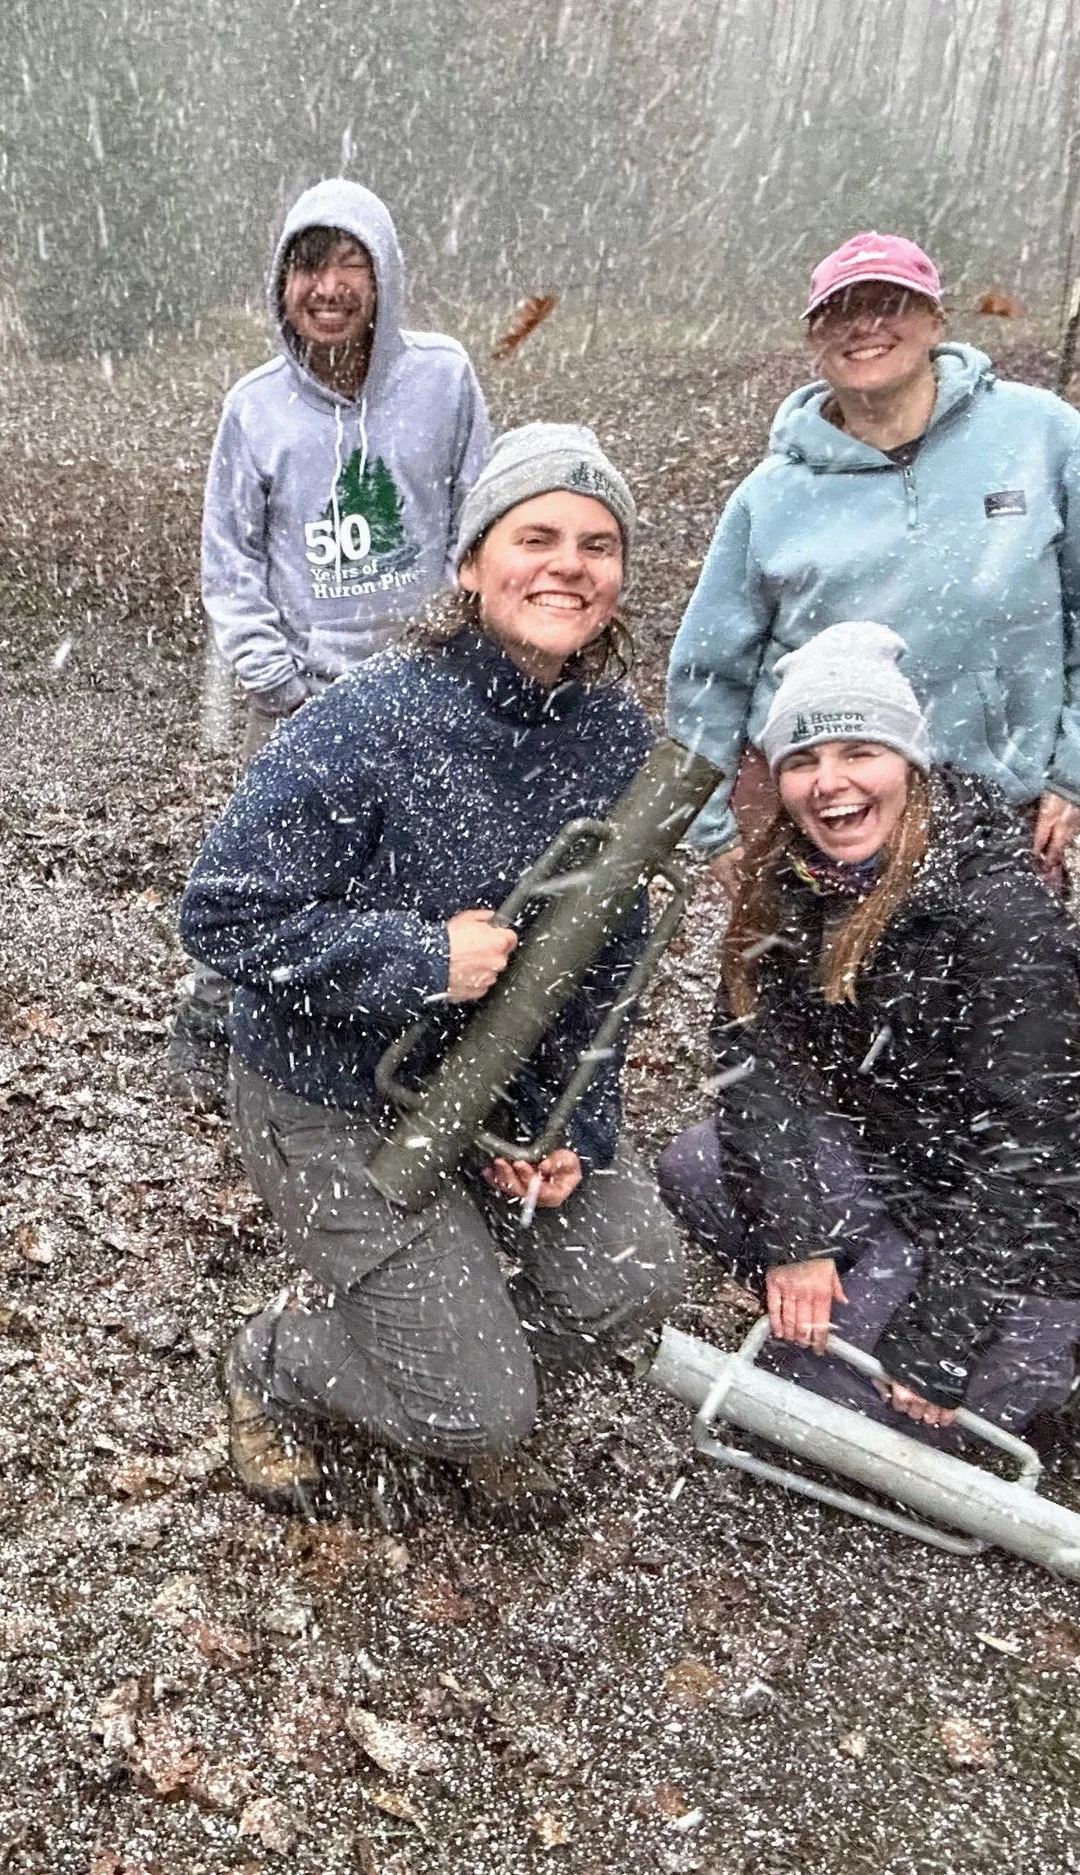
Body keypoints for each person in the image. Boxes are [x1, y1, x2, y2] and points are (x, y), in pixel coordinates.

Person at [182, 425, 684, 1525]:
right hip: (325, 1100)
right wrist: (416, 961)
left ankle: (451, 1359)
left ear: (619, 582)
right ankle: (281, 1361)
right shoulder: (374, 715)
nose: (568, 564)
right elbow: (220, 913)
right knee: (483, 1415)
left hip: (488, 1095)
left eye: (597, 545)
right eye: (535, 535)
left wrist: (568, 1130)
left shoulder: (611, 738)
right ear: (469, 564)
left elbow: (597, 972)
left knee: (635, 1274)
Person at [658, 621, 1080, 1438]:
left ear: (909, 761)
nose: (829, 783)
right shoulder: (792, 876)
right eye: (802, 760)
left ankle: (1065, 1366)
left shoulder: (1001, 911)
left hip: (1028, 1219)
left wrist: (943, 1336)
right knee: (698, 1165)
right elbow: (752, 1062)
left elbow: (1027, 1148)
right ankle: (864, 1294)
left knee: (821, 1421)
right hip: (902, 1168)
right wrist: (795, 1239)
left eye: (858, 752)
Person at [666, 231, 1080, 893]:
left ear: (935, 320)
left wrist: (1076, 767)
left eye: (889, 302)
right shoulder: (770, 497)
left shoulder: (1043, 437)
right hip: (828, 821)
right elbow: (707, 671)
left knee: (1012, 987)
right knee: (813, 994)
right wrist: (714, 824)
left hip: (1000, 811)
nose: (864, 325)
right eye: (840, 310)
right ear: (815, 338)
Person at [171, 178, 493, 1101]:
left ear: (383, 272)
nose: (328, 287)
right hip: (309, 693)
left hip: (429, 683)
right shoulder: (256, 408)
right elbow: (230, 563)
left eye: (347, 261)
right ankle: (224, 1012)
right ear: (281, 283)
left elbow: (482, 519)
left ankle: (409, 1031)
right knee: (283, 866)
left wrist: (466, 652)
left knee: (424, 863)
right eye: (307, 266)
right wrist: (277, 681)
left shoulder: (443, 379)